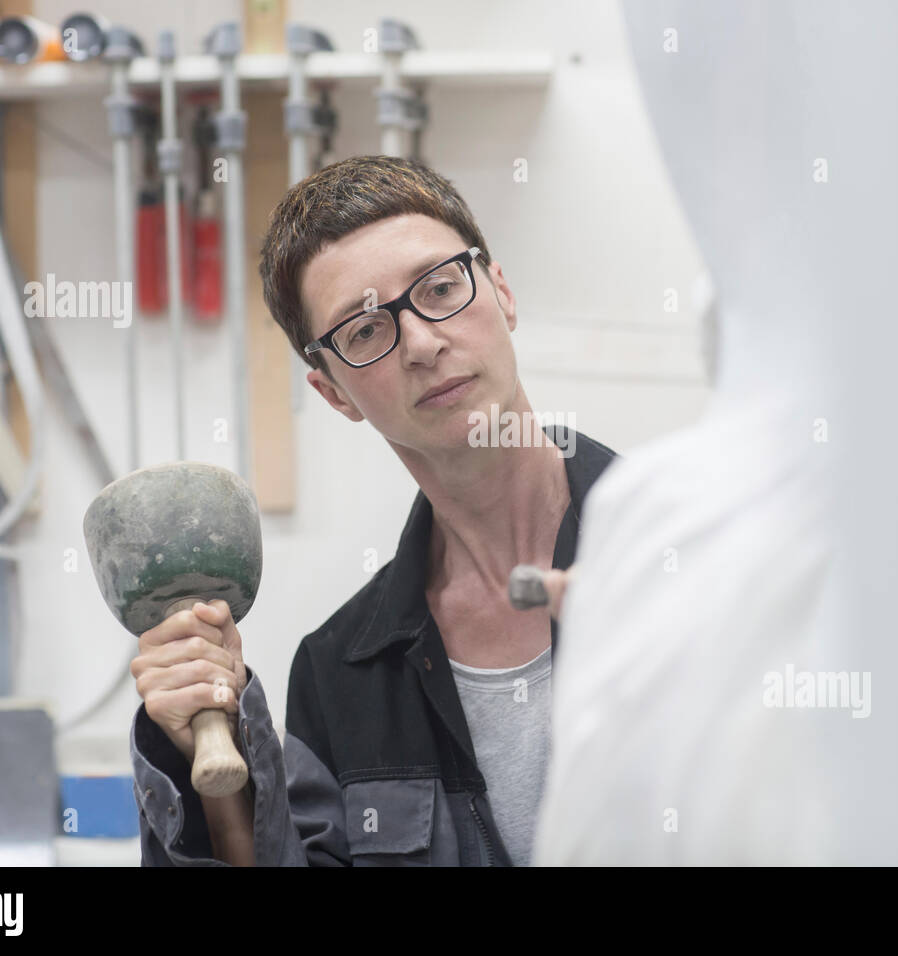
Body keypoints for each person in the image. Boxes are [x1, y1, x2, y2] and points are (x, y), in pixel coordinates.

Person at [129, 155, 617, 866]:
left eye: (441, 288)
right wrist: (205, 767)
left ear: (501, 291)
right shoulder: (341, 675)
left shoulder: (694, 554)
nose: (422, 344)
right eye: (364, 332)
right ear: (334, 395)